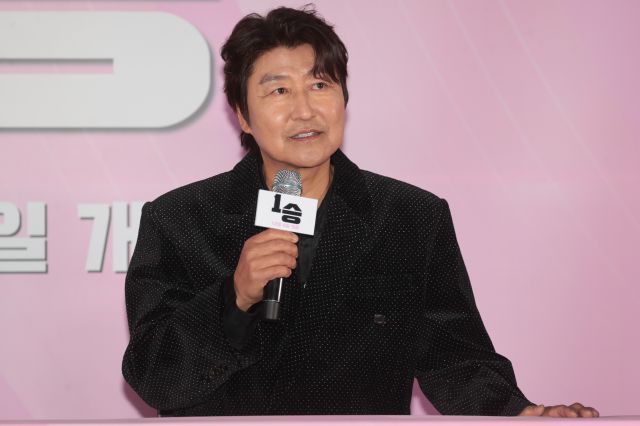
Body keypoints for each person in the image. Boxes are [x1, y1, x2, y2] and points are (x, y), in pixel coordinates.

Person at [122, 6, 598, 418]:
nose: (305, 110)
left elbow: (454, 356)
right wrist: (234, 297)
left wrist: (520, 412)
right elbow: (153, 376)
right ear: (243, 115)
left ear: (343, 99)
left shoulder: (411, 218)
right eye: (279, 91)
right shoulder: (179, 220)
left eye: (320, 84)